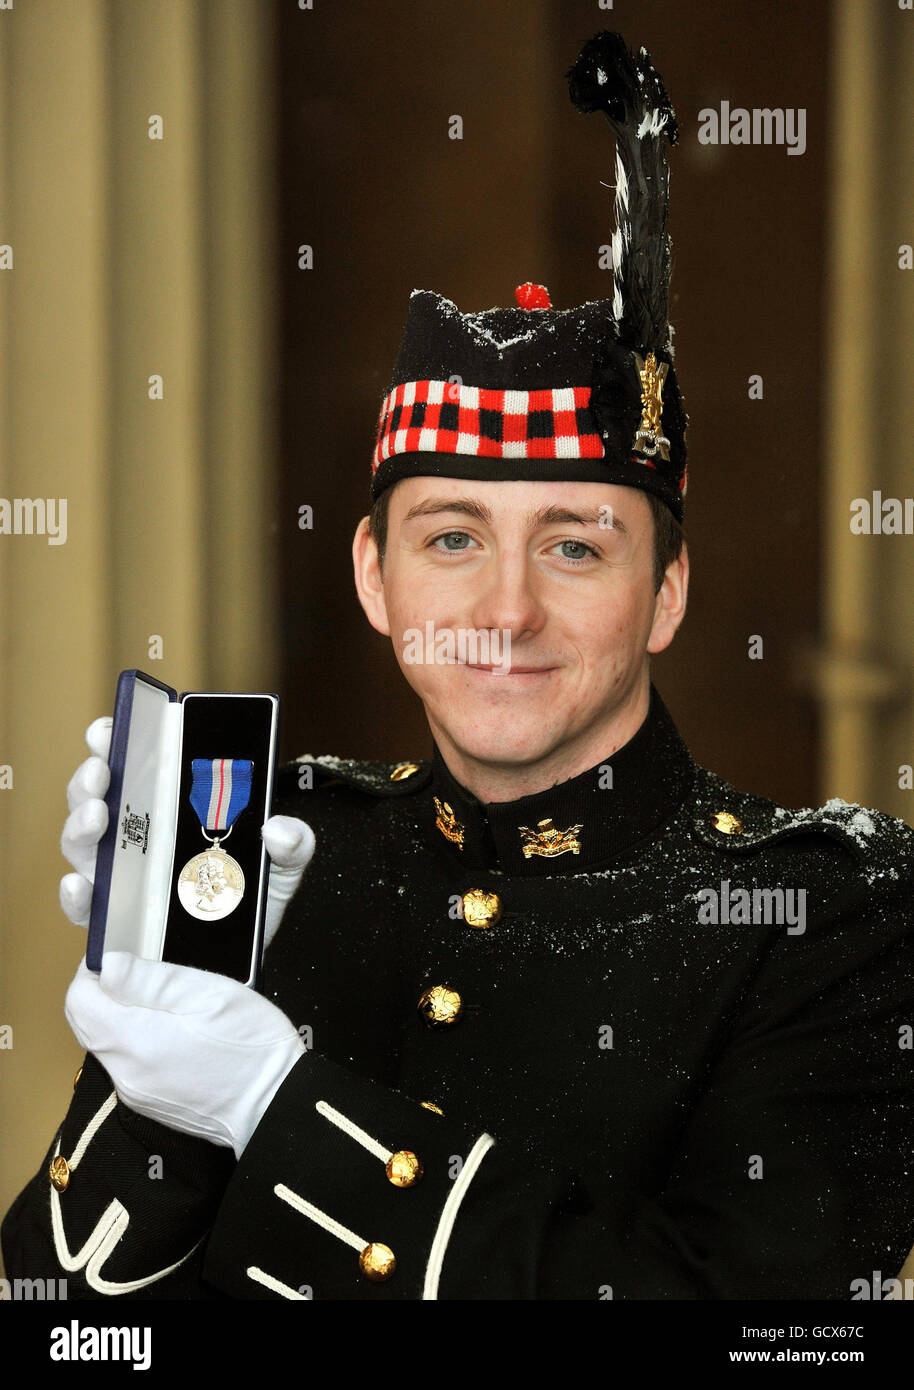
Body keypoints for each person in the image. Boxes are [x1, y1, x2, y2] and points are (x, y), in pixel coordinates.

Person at [4, 30, 914, 1302]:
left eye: (576, 548)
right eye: (449, 538)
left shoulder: (832, 912)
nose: (504, 610)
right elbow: (64, 1324)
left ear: (667, 594)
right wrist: (169, 1037)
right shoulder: (290, 853)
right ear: (375, 578)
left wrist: (279, 1105)